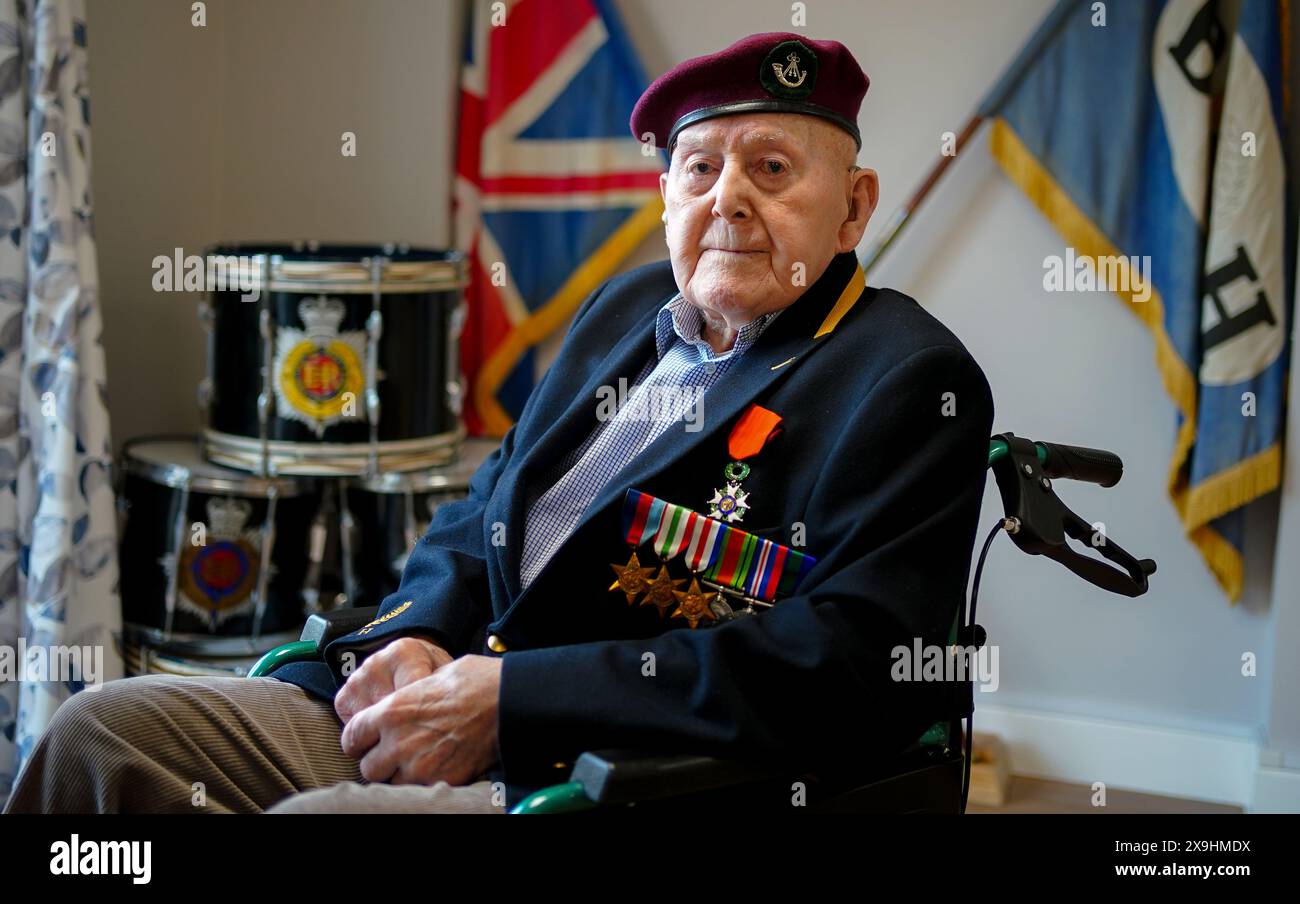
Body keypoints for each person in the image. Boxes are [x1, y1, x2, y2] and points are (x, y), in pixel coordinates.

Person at [4, 32, 992, 814]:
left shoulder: (904, 379)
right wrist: (424, 635)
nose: (727, 197)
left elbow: (848, 668)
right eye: (698, 169)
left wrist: (507, 702)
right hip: (446, 695)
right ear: (666, 197)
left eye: (772, 168)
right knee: (100, 734)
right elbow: (485, 507)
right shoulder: (620, 313)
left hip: (617, 765)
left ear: (853, 208)